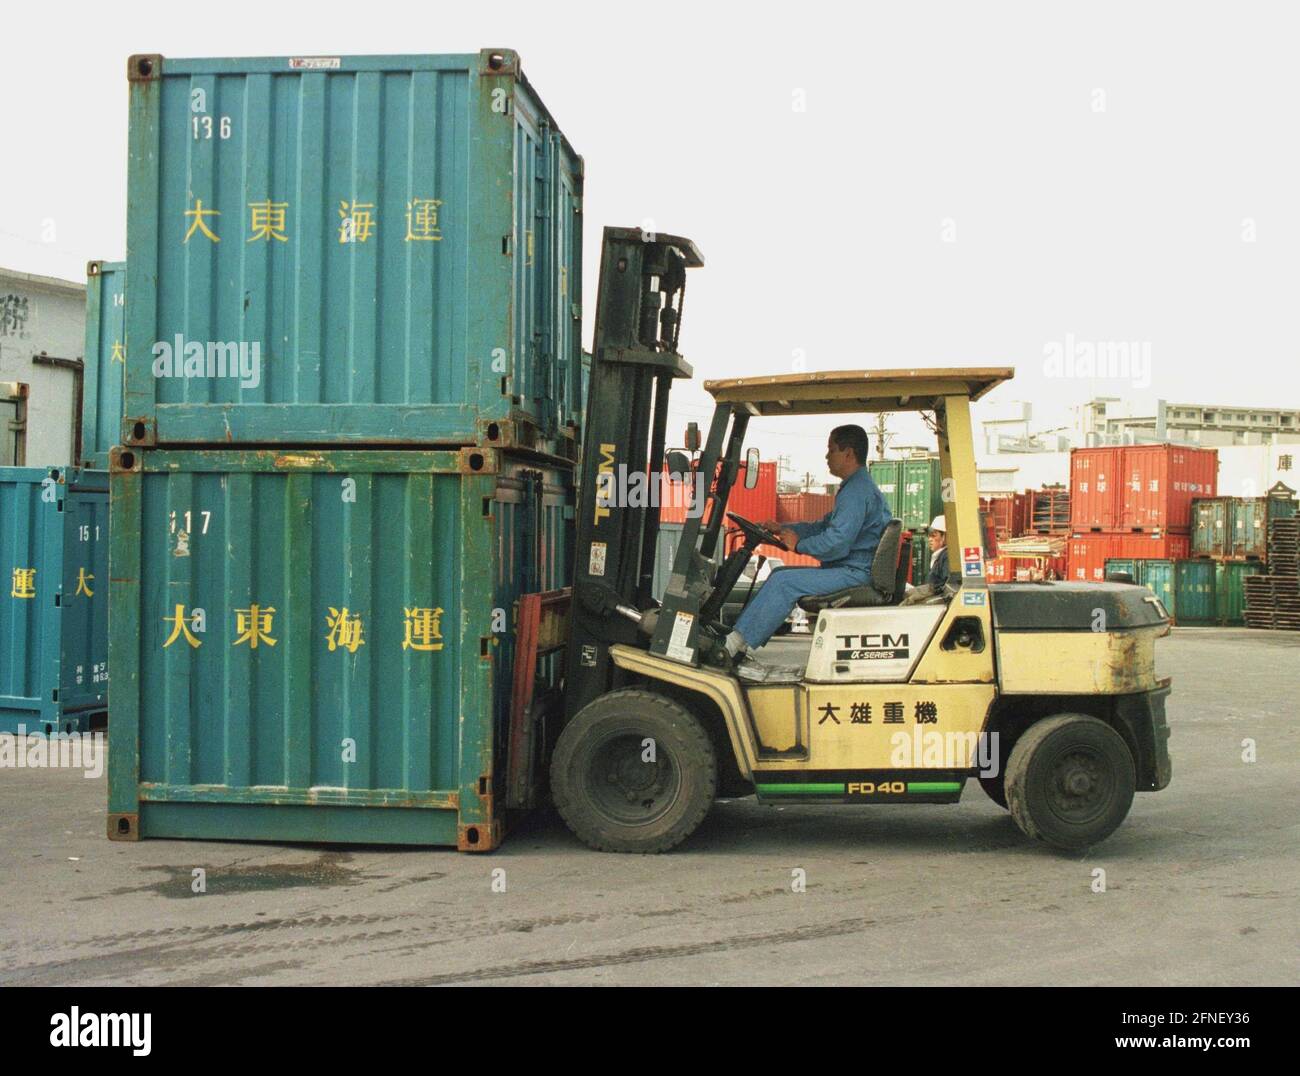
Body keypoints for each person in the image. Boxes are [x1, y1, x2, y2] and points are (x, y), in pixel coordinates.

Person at [724, 425, 892, 666]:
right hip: (851, 569)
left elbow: (837, 542)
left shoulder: (857, 491)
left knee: (784, 581)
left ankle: (732, 646)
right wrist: (783, 529)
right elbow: (822, 527)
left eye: (831, 450)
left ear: (849, 454)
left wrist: (799, 545)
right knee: (781, 573)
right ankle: (740, 643)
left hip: (855, 573)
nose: (826, 456)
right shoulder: (855, 487)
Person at [902, 515, 950, 605]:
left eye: (934, 536)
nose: (930, 540)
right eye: (929, 536)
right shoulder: (940, 557)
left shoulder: (947, 556)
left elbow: (945, 586)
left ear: (945, 537)